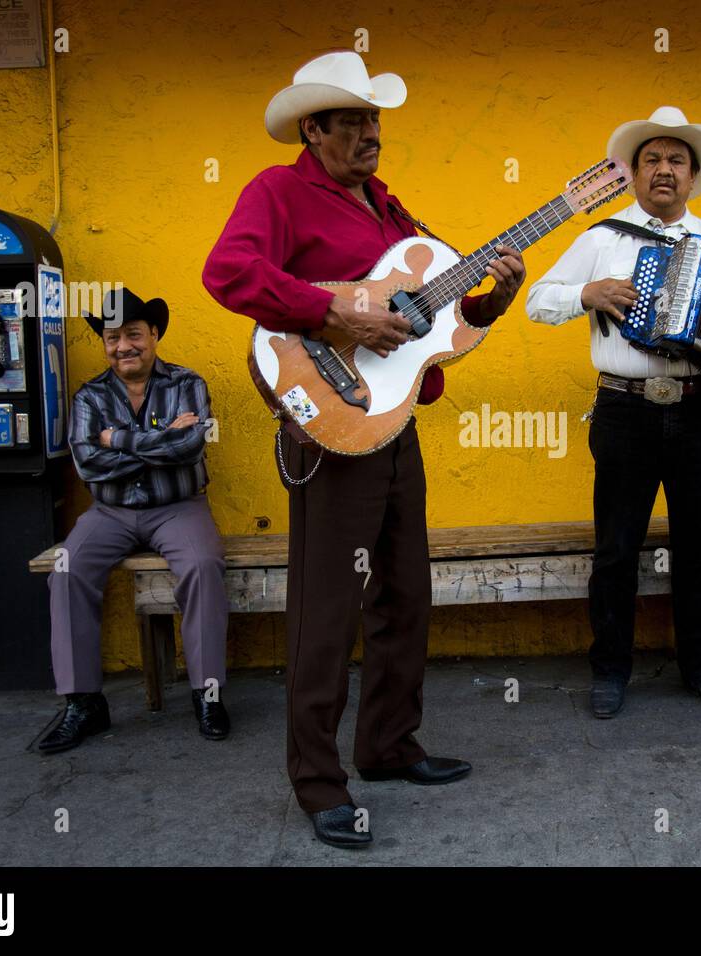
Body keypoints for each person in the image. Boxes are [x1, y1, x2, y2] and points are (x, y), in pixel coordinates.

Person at [202, 51, 525, 849]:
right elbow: (228, 271)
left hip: (394, 423)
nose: (369, 133)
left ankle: (387, 745)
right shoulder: (278, 191)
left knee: (405, 595)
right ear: (312, 129)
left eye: (373, 119)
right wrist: (332, 315)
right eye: (351, 120)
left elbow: (432, 319)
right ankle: (317, 784)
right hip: (332, 426)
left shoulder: (387, 208)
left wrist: (499, 295)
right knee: (325, 612)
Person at [526, 107, 701, 719]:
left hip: (699, 414)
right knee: (617, 548)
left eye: (677, 160)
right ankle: (610, 671)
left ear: (693, 176)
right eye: (651, 159)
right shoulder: (601, 239)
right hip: (625, 411)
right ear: (633, 174)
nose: (664, 170)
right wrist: (586, 294)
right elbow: (537, 302)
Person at [40, 287, 229, 753]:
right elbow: (88, 464)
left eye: (133, 334)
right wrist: (160, 440)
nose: (123, 345)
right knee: (67, 570)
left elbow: (191, 449)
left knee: (203, 567)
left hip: (178, 507)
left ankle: (207, 693)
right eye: (112, 337)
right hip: (110, 512)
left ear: (154, 335)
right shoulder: (89, 397)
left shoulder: (188, 384)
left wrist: (117, 440)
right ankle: (83, 703)